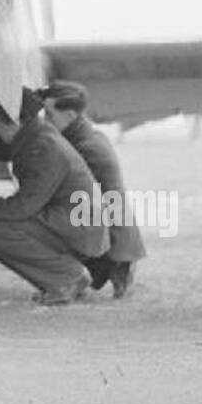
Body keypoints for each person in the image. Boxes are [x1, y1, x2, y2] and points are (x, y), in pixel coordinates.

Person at [0, 89, 109, 305]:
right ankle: (62, 280)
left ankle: (68, 278)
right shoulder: (35, 134)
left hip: (79, 229)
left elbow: (23, 207)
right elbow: (2, 147)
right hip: (75, 223)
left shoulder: (43, 147)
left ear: (17, 121)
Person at [41, 80, 146, 297]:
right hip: (116, 239)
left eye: (49, 114)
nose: (45, 120)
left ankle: (106, 270)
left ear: (70, 115)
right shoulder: (87, 136)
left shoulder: (84, 146)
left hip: (112, 242)